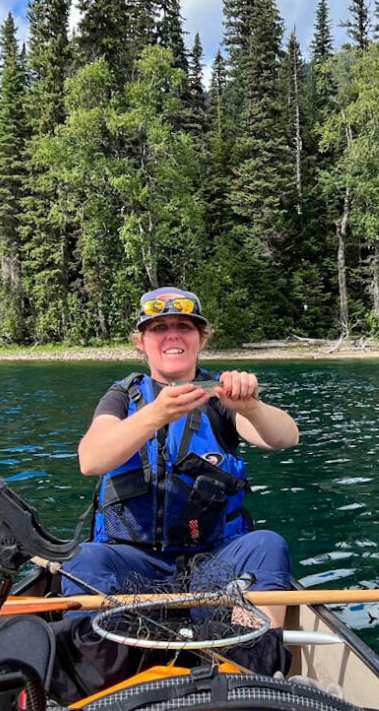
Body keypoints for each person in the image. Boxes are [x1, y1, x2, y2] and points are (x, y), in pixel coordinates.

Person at [59, 286, 300, 675]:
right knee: (84, 559)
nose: (172, 335)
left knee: (267, 546)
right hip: (132, 561)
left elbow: (285, 437)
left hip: (212, 559)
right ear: (142, 342)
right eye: (159, 327)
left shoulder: (221, 394)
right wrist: (154, 415)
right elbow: (91, 459)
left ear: (201, 338)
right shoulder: (122, 397)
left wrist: (251, 407)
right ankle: (103, 678)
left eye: (184, 326)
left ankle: (251, 672)